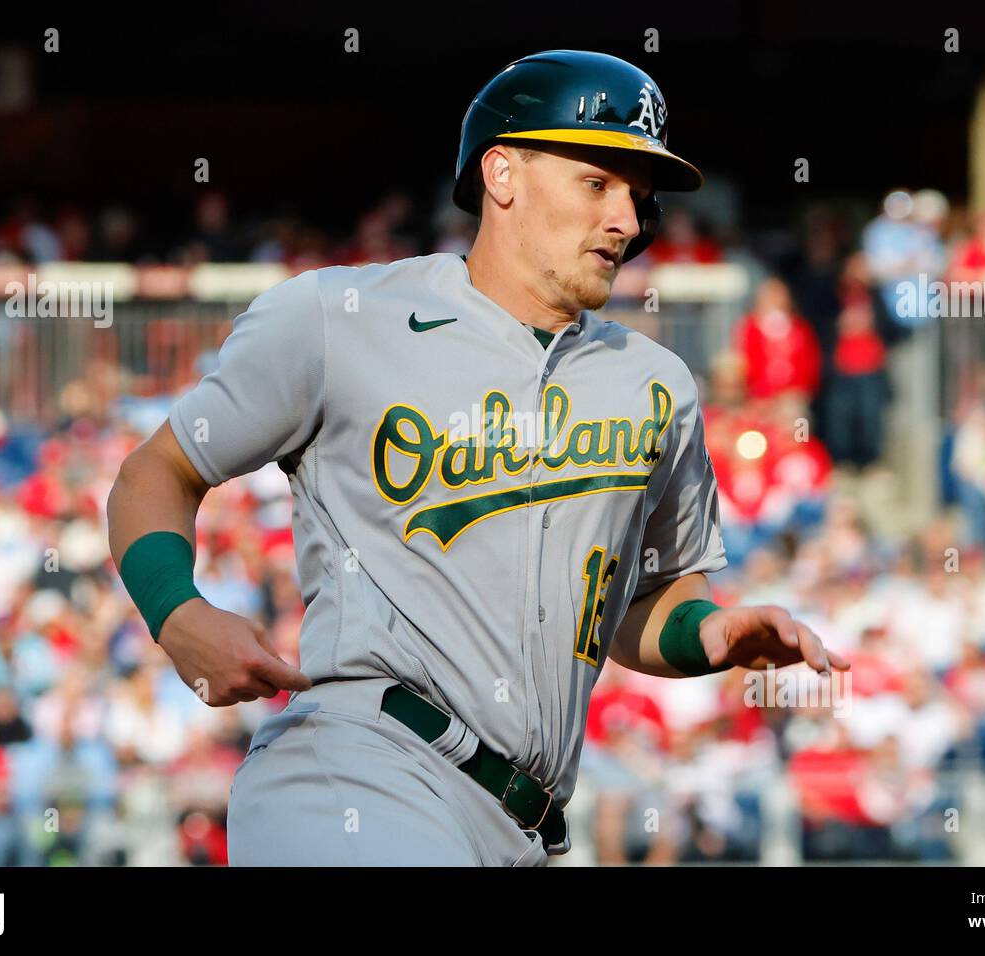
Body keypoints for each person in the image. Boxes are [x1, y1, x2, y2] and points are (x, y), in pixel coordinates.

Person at [107, 49, 848, 867]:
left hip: (522, 826)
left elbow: (643, 606)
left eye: (638, 199)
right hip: (360, 769)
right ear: (502, 174)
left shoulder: (655, 385)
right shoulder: (341, 318)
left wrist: (712, 632)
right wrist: (175, 610)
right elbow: (158, 473)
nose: (629, 221)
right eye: (597, 182)